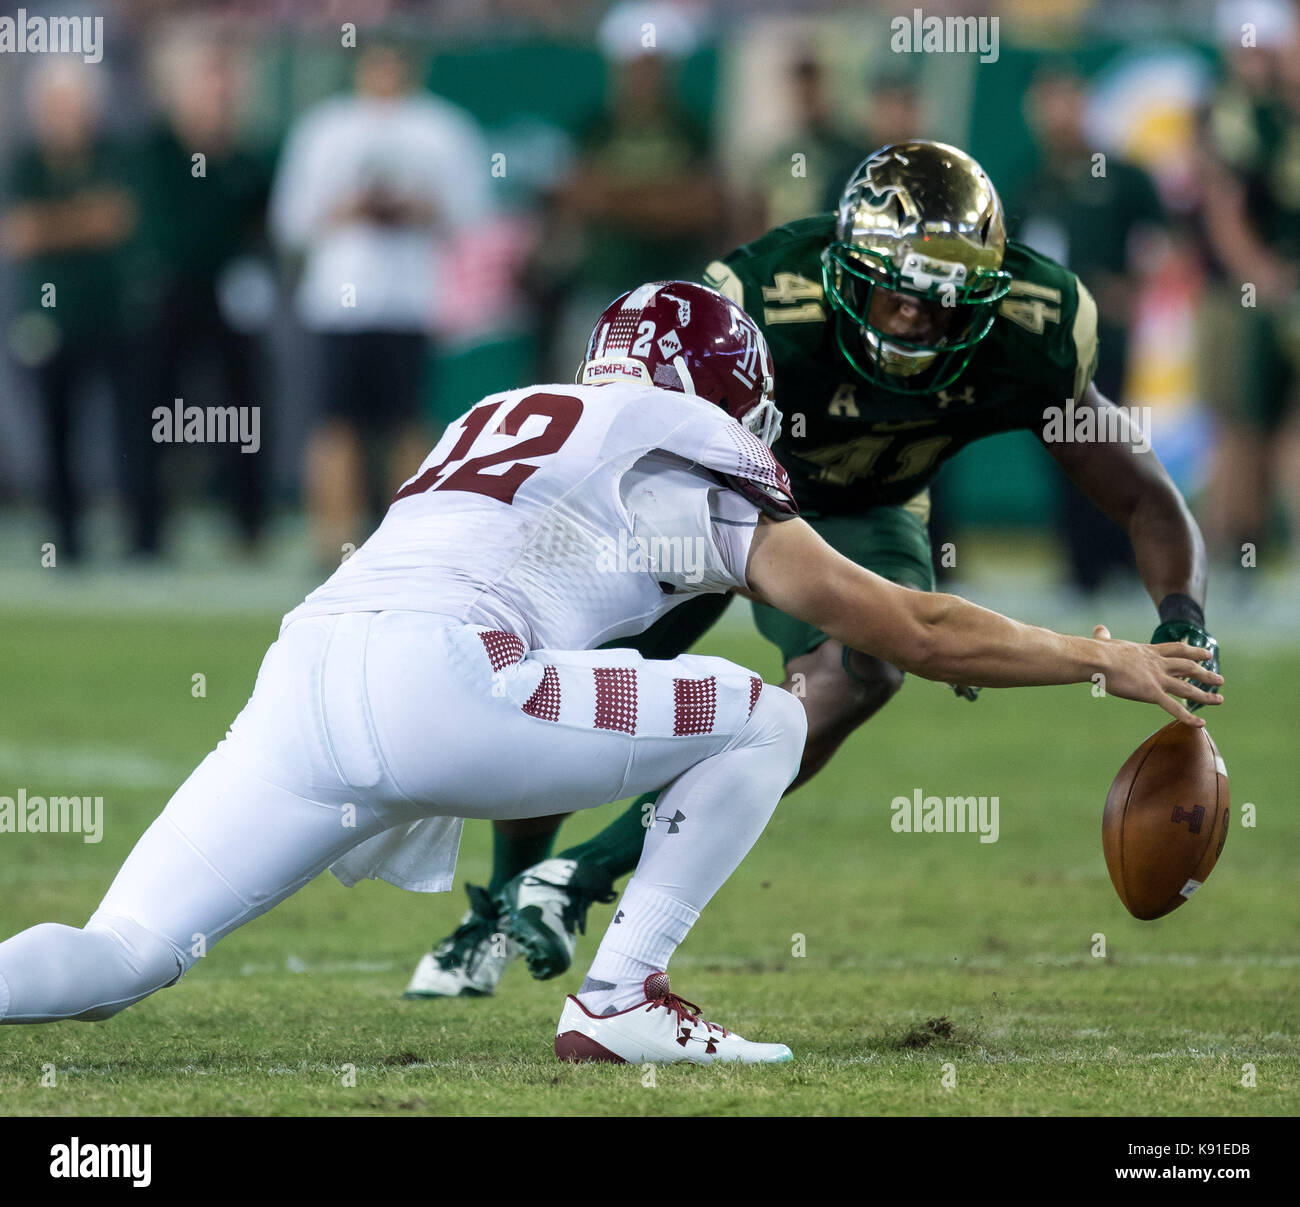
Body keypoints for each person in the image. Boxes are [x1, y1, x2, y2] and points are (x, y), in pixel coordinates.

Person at [0, 281, 1220, 1065]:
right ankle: (622, 994)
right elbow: (903, 628)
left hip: (303, 672)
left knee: (124, 956)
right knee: (761, 718)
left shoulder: (497, 407)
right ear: (728, 397)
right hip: (442, 686)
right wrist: (1095, 654)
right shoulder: (683, 445)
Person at [412, 142, 1220, 1000]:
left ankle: (577, 877)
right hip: (713, 483)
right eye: (895, 291)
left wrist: (1183, 621)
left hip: (870, 508)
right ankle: (502, 899)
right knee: (583, 672)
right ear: (845, 270)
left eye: (942, 304)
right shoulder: (761, 298)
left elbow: (1144, 496)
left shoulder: (1034, 328)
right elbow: (631, 434)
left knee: (863, 670)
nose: (913, 319)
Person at [269, 41, 491, 566]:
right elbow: (290, 221)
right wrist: (344, 210)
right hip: (340, 303)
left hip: (409, 300)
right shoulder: (326, 128)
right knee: (335, 422)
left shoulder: (441, 128)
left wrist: (423, 209)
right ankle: (334, 543)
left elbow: (475, 214)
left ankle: (406, 543)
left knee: (405, 422)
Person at [1011, 63, 1170, 595]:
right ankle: (1079, 566)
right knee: (1062, 449)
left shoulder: (1121, 175)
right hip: (1050, 346)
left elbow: (1161, 244)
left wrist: (1134, 288)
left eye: (1067, 97)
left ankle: (1121, 561)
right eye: (1048, 99)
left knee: (1111, 448)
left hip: (1107, 342)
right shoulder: (1032, 184)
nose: (1058, 111)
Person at [1, 61, 135, 563]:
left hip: (111, 315)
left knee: (128, 430)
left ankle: (140, 538)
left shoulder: (110, 156)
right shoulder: (28, 163)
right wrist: (84, 221)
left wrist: (52, 227)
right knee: (56, 433)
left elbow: (117, 220)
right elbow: (20, 232)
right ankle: (66, 543)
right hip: (48, 321)